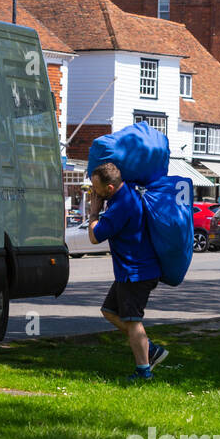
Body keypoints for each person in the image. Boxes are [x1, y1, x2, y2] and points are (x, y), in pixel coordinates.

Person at [87, 162, 169, 381]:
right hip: (132, 271)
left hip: (136, 272)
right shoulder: (127, 191)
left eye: (96, 188)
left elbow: (95, 237)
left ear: (110, 188)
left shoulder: (120, 206)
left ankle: (143, 371)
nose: (94, 191)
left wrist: (94, 212)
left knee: (133, 321)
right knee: (109, 311)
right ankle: (150, 350)